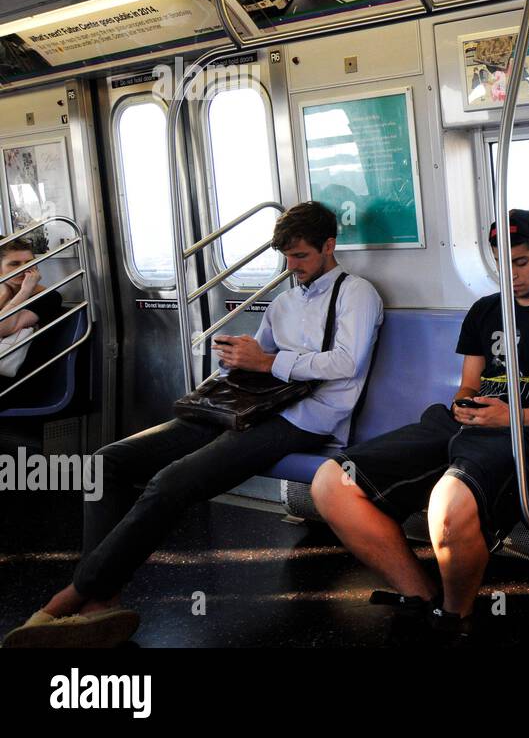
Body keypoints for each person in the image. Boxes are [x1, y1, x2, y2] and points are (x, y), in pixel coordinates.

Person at [2, 202, 384, 648]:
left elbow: (346, 362)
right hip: (249, 408)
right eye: (286, 257)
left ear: (329, 246)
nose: (292, 267)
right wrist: (236, 359)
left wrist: (270, 361)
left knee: (171, 483)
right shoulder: (283, 303)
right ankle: (101, 603)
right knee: (107, 463)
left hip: (307, 418)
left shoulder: (356, 293)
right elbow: (255, 360)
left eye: (300, 256)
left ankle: (70, 598)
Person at [311, 210, 529, 642]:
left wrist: (514, 416)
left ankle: (454, 616)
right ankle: (420, 595)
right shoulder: (485, 310)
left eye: (522, 261)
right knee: (331, 483)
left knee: (448, 506)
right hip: (467, 424)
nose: (512, 274)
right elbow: (468, 383)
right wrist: (467, 406)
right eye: (501, 263)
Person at [0, 236, 65, 403]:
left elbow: (3, 327)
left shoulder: (49, 297)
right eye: (14, 264)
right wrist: (5, 293)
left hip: (20, 379)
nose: (24, 269)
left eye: (29, 263)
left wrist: (25, 290)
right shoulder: (4, 293)